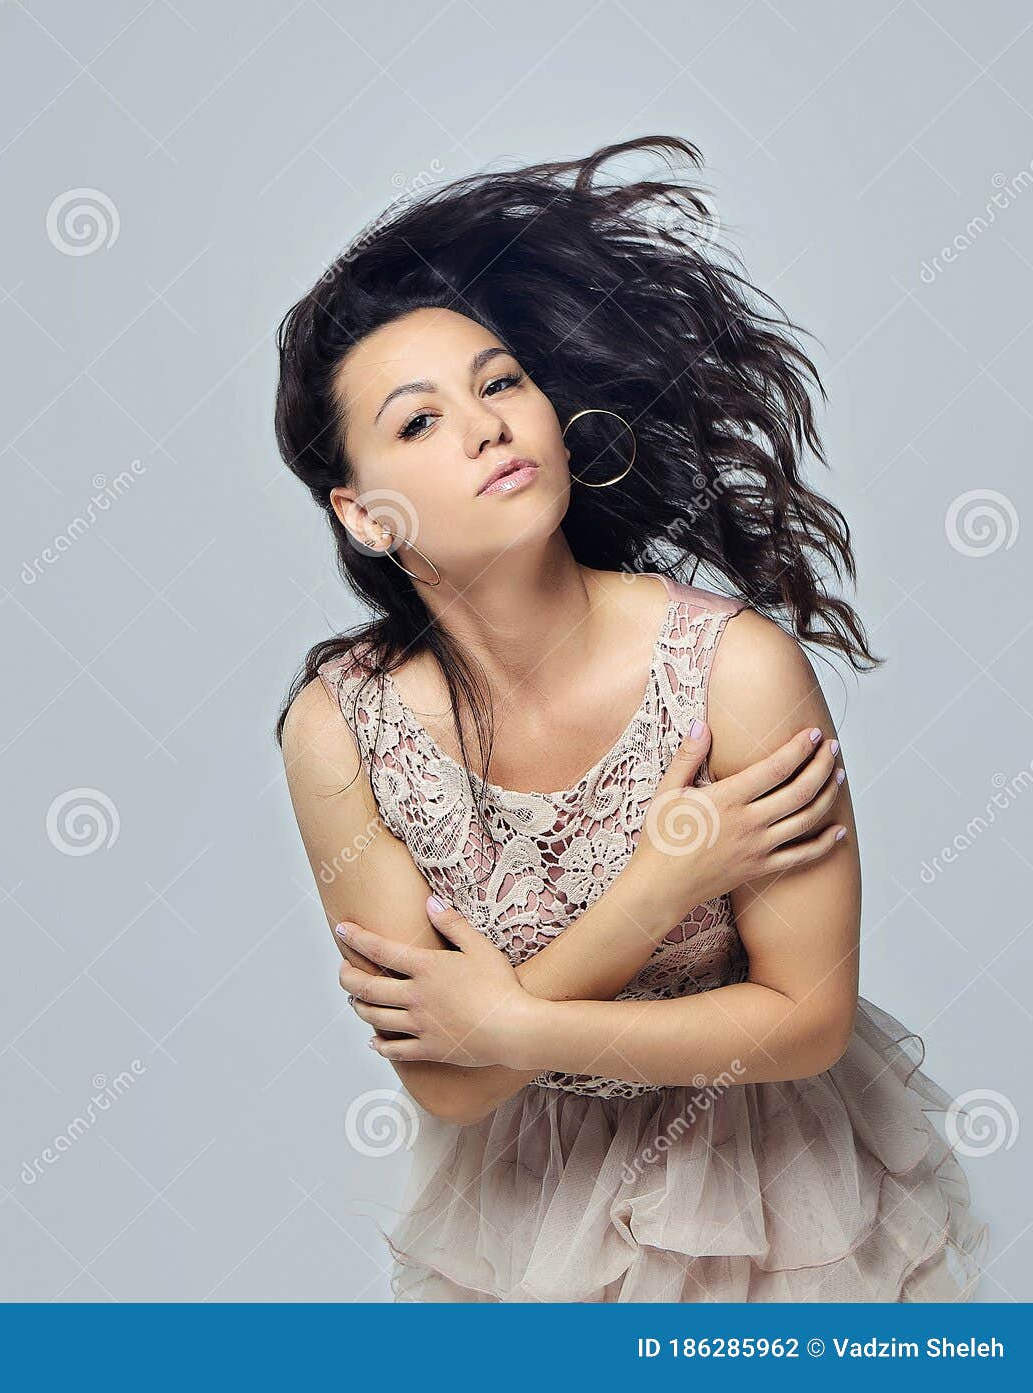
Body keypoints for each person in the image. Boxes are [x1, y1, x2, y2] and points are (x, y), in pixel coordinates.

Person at [274, 136, 989, 1302]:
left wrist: (500, 1020)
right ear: (363, 515)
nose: (486, 424)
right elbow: (448, 1088)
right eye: (417, 422)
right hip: (520, 1209)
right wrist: (654, 888)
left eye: (500, 382)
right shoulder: (338, 733)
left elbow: (804, 1020)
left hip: (765, 1189)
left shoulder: (734, 672)